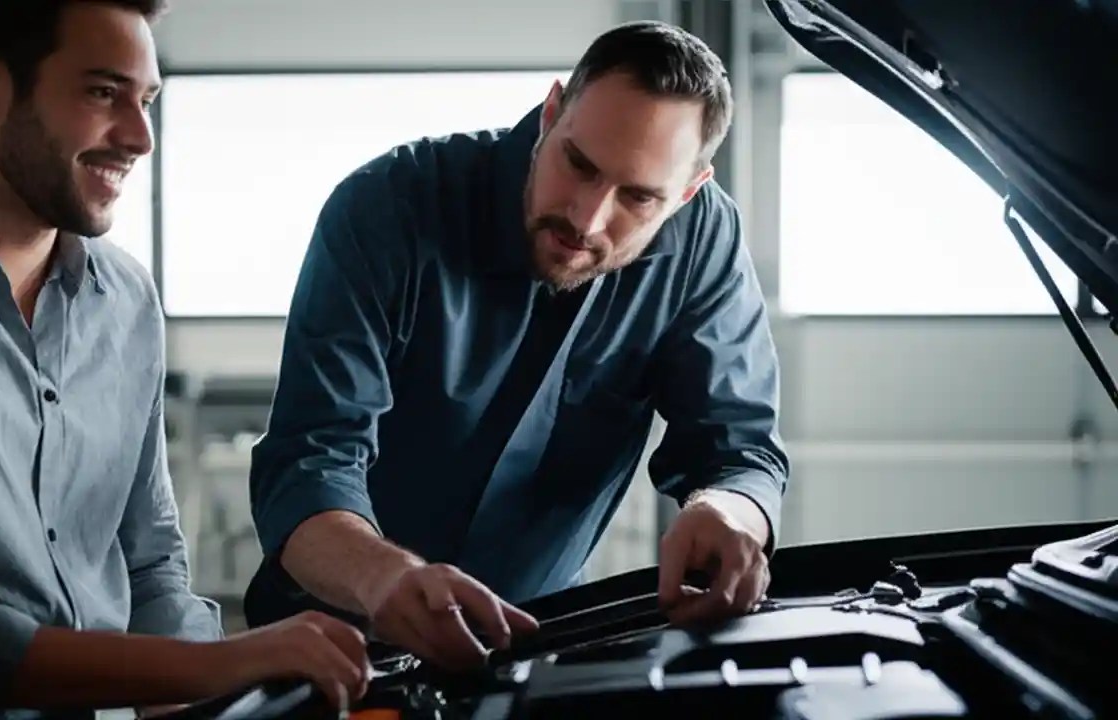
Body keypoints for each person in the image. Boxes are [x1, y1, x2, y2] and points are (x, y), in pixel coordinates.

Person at [0, 0, 369, 716]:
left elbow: (149, 565)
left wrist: (214, 697)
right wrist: (206, 664)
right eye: (102, 92)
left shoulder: (124, 300)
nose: (140, 136)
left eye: (146, 100)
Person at [244, 20, 790, 671]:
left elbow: (736, 445)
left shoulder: (703, 241)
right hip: (333, 638)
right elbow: (309, 462)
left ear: (687, 193)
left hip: (534, 645)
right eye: (578, 164)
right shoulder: (387, 208)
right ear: (553, 111)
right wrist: (384, 580)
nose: (586, 219)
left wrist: (729, 513)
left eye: (638, 198)